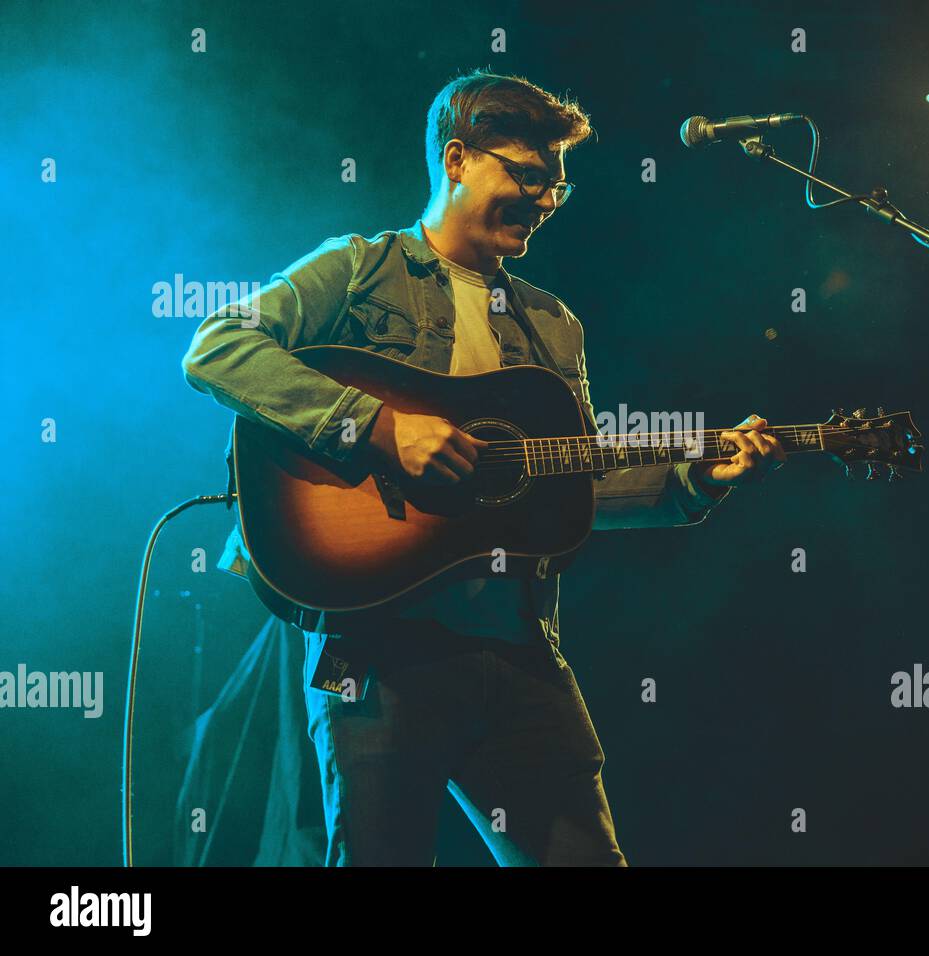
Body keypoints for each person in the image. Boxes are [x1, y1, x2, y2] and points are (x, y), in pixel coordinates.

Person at [181, 69, 785, 866]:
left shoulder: (552, 324)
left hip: (517, 648)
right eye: (528, 176)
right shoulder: (359, 269)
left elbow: (573, 483)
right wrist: (379, 427)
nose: (543, 200)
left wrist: (691, 480)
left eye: (556, 189)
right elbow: (218, 348)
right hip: (379, 646)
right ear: (457, 159)